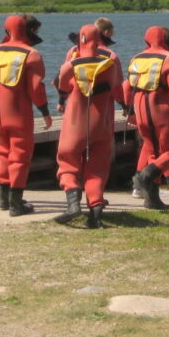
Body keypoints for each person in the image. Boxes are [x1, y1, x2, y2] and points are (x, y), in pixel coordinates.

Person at [0, 14, 52, 216]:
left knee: (2, 153)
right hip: (19, 114)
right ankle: (16, 202)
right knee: (20, 156)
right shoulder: (31, 54)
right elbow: (36, 88)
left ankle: (2, 199)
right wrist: (45, 111)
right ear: (27, 30)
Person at [54, 24, 117, 228]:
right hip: (102, 123)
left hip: (75, 123)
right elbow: (120, 87)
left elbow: (61, 86)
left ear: (80, 40)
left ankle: (73, 205)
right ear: (99, 39)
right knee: (98, 168)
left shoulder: (70, 64)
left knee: (68, 161)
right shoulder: (111, 61)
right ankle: (95, 213)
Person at [127, 26, 169, 210]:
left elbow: (127, 86)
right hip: (161, 108)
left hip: (140, 107)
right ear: (167, 40)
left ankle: (152, 199)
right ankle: (144, 177)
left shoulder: (136, 58)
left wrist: (130, 111)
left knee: (152, 153)